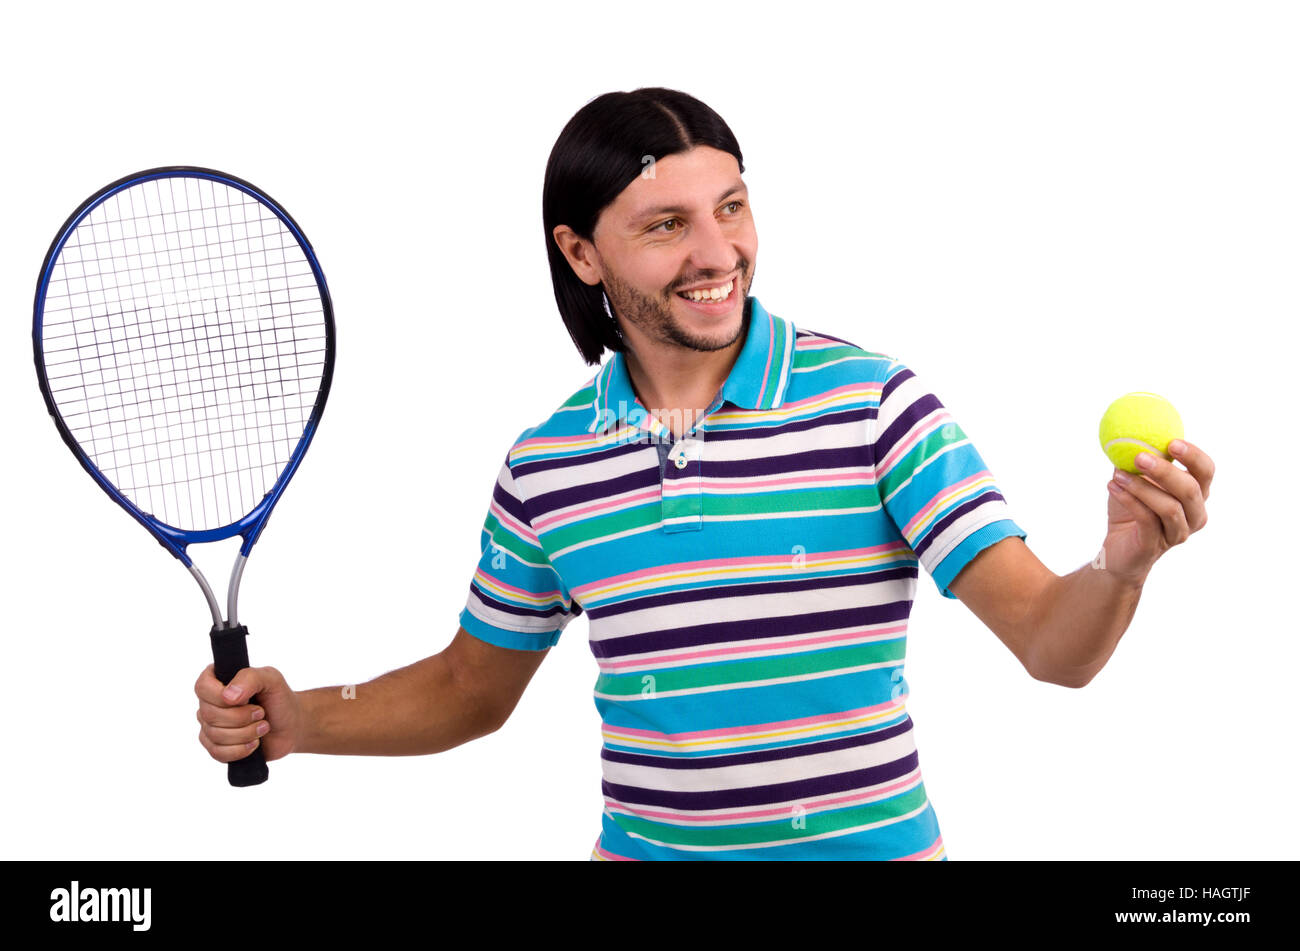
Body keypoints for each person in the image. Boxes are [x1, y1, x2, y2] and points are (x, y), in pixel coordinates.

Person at [195, 87, 1214, 860]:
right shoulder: (547, 463)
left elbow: (1052, 646)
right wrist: (302, 719)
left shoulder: (873, 406)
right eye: (665, 225)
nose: (716, 250)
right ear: (581, 254)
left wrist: (1119, 570)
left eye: (730, 207)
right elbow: (472, 687)